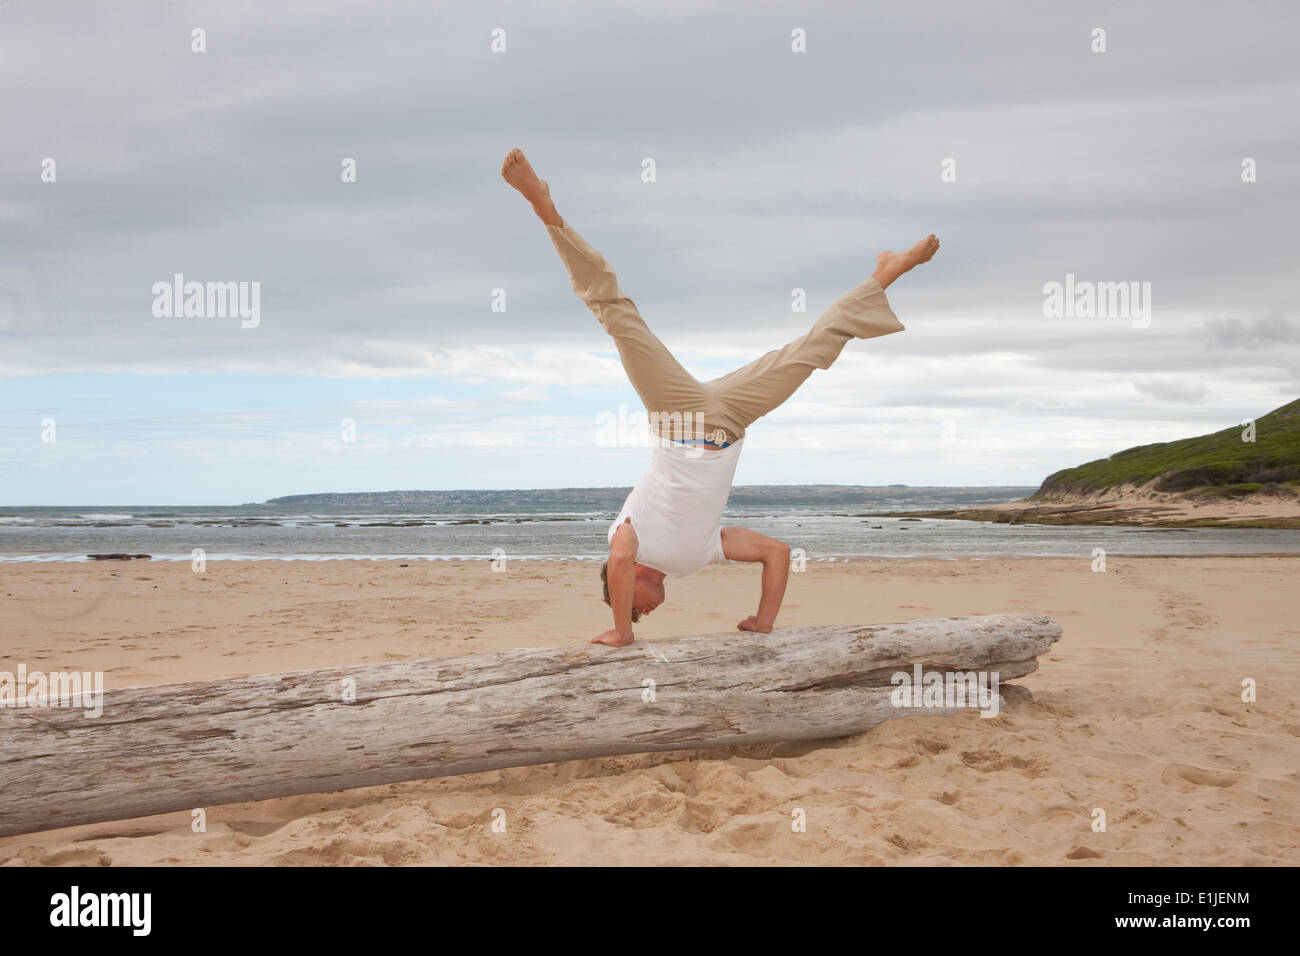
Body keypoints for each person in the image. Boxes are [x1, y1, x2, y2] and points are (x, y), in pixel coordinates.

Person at [501, 148, 939, 646]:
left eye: (635, 608)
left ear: (620, 585)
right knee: (812, 351)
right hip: (729, 422)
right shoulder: (699, 555)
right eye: (640, 616)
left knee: (616, 312)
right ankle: (884, 273)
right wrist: (764, 621)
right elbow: (777, 552)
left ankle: (544, 206)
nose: (645, 612)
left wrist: (622, 632)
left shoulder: (624, 540)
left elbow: (620, 561)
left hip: (677, 414)